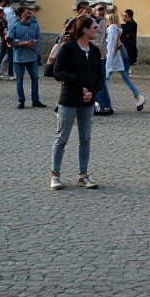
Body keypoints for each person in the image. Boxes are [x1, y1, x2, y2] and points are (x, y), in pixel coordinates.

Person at [49, 14, 103, 190]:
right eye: (94, 27)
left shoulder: (94, 51)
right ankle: (55, 175)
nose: (97, 30)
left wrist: (92, 92)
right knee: (62, 138)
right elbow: (57, 71)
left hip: (87, 101)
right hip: (69, 99)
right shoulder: (68, 48)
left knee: (85, 138)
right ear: (84, 30)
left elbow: (100, 77)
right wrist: (78, 82)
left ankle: (83, 175)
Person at [101, 11, 146, 111]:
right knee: (122, 77)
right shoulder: (114, 28)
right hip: (120, 56)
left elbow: (112, 46)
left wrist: (109, 62)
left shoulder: (113, 29)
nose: (105, 21)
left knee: (106, 78)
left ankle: (102, 101)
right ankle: (138, 96)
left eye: (107, 19)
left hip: (119, 57)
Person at [11, 7, 43, 109]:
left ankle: (35, 100)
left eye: (29, 13)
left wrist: (36, 47)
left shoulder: (35, 25)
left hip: (32, 57)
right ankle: (21, 101)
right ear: (21, 15)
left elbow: (39, 39)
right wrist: (22, 43)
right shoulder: (15, 26)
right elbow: (10, 41)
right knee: (19, 80)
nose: (28, 15)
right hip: (19, 57)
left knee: (35, 78)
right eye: (26, 13)